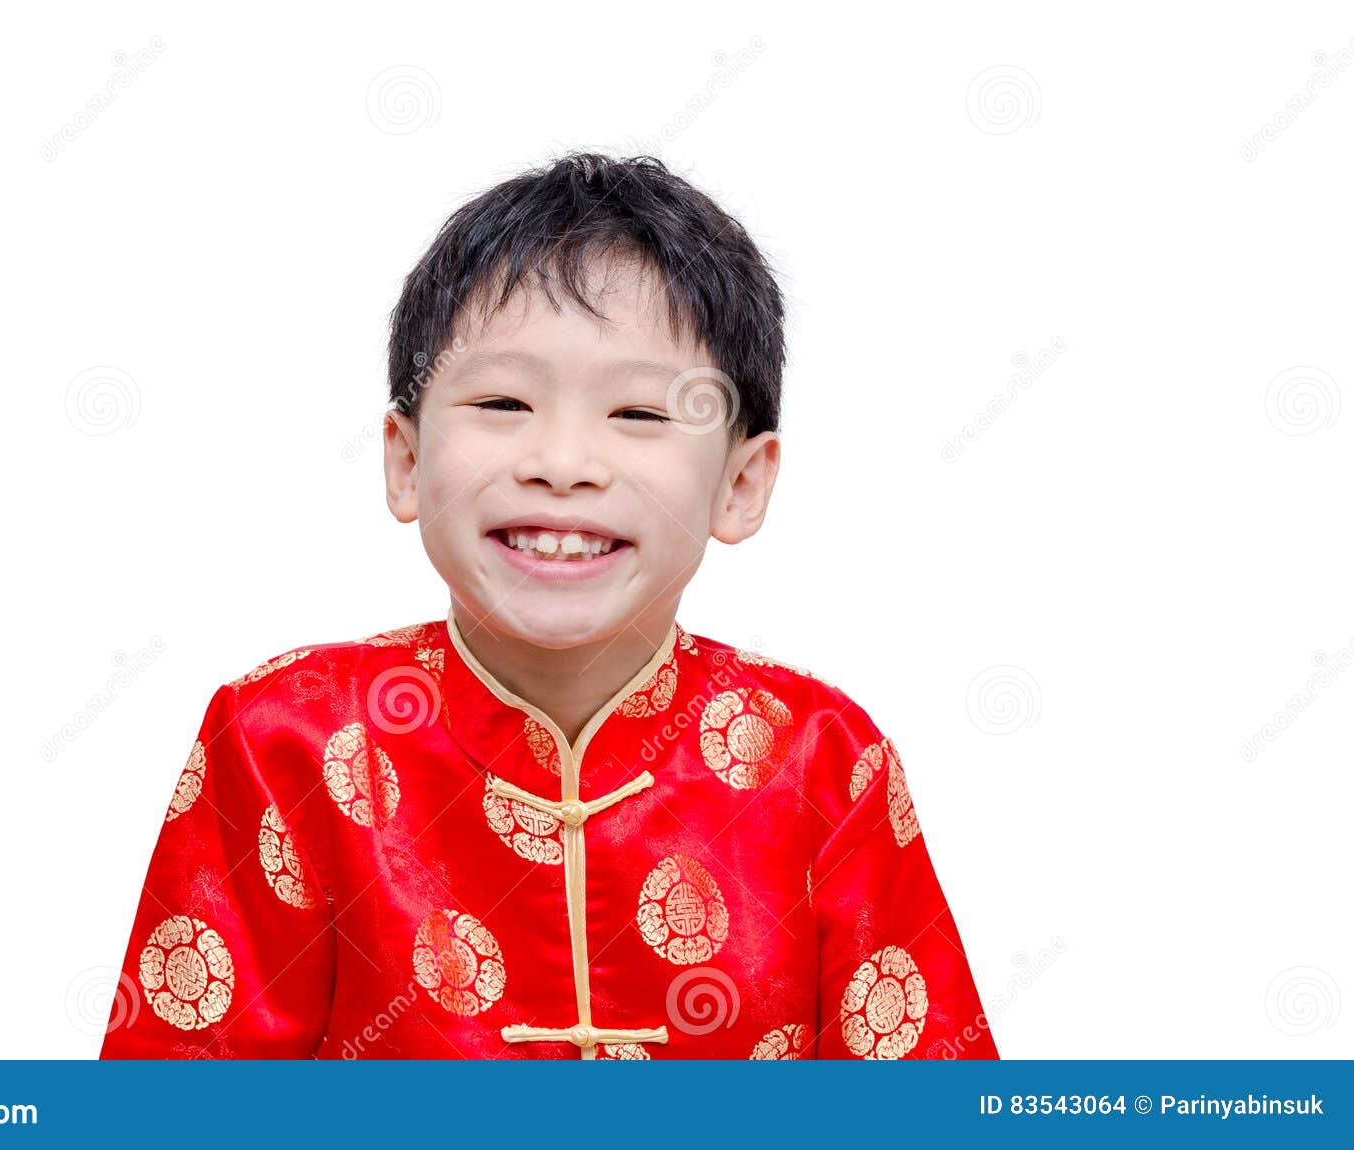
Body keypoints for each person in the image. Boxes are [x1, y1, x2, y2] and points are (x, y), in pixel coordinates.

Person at [99, 152, 999, 1060]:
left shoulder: (820, 758)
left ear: (741, 482)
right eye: (502, 400)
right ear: (405, 461)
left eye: (641, 414)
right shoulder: (287, 740)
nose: (563, 462)